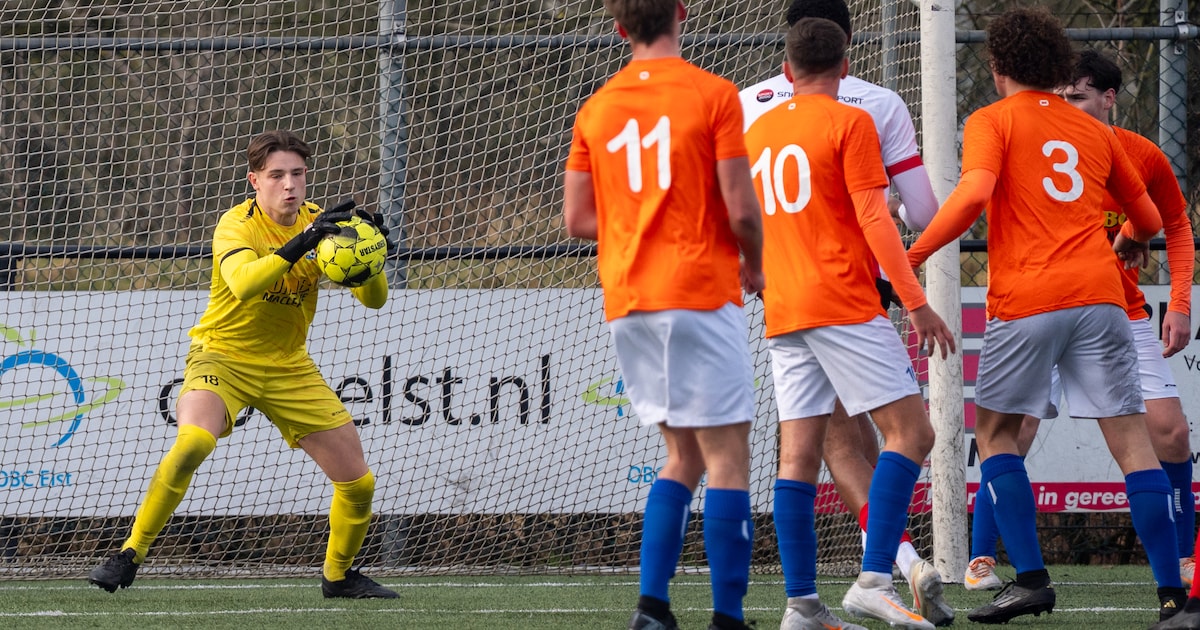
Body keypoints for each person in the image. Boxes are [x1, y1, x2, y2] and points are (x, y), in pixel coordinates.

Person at [906, 7, 1181, 625]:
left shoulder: (992, 119)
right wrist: (1134, 235)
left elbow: (974, 194)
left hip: (1027, 300)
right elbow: (1151, 219)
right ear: (1057, 65)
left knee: (997, 436)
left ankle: (1029, 580)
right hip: (1102, 300)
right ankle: (1172, 598)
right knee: (1135, 445)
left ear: (996, 64)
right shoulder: (1097, 132)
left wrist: (913, 255)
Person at [88, 130, 398, 600]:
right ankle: (129, 554)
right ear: (255, 180)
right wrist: (307, 239)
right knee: (193, 441)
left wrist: (371, 259)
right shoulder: (237, 225)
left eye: (297, 174)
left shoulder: (325, 225)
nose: (289, 184)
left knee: (359, 482)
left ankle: (338, 576)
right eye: (276, 175)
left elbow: (373, 303)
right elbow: (246, 284)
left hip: (289, 367)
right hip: (223, 355)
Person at [739, 3, 954, 625]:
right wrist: (915, 301)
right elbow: (876, 218)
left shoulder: (757, 131)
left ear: (785, 68)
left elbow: (740, 223)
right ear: (845, 65)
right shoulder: (852, 120)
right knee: (913, 435)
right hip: (842, 300)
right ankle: (874, 576)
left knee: (798, 459)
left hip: (783, 306)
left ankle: (802, 605)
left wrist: (747, 276)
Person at [964, 49, 1196, 601]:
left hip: (1114, 310)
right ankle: (979, 556)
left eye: (1078, 96)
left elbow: (1174, 224)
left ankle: (1181, 561)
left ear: (1109, 97)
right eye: (1061, 94)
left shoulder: (1137, 154)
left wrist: (1180, 302)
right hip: (1039, 307)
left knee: (1169, 432)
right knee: (1009, 434)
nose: (1064, 104)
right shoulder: (1019, 136)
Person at [562, 2, 765, 629]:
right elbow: (741, 210)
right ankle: (727, 616)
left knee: (682, 454)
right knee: (728, 456)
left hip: (629, 298)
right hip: (699, 289)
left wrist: (636, 227)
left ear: (619, 27)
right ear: (682, 14)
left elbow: (577, 221)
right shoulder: (713, 93)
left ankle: (653, 608)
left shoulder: (596, 107)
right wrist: (754, 265)